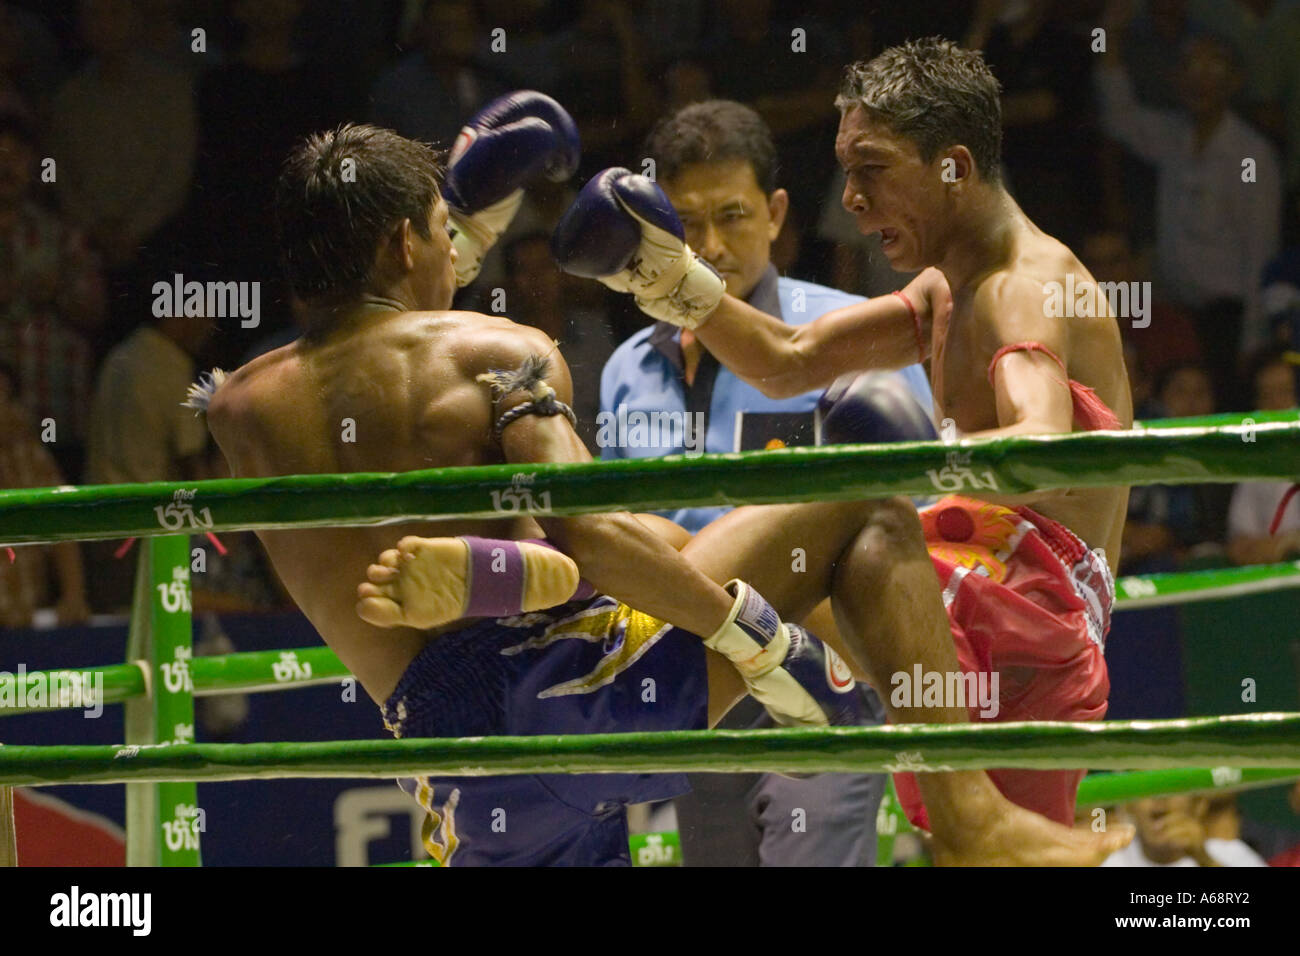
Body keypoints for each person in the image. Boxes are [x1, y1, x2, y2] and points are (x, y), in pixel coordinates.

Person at [196, 95, 1130, 866]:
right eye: (446, 235)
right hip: (594, 684)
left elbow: (364, 341)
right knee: (868, 485)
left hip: (453, 767)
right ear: (407, 242)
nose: (458, 254)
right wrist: (762, 645)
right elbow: (590, 532)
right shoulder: (502, 350)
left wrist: (453, 222)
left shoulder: (240, 409)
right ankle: (966, 815)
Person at [552, 38, 1132, 837]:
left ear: (954, 166)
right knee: (985, 848)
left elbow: (1043, 439)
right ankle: (691, 684)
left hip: (1027, 613)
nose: (851, 199)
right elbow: (789, 361)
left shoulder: (1019, 289)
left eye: (872, 169)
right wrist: (672, 281)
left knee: (837, 515)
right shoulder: (948, 283)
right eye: (846, 169)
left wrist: (910, 454)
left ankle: (602, 701)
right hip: (972, 594)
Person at [601, 99, 931, 866]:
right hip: (698, 685)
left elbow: (912, 522)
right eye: (687, 222)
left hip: (824, 670)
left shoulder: (850, 334)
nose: (712, 246)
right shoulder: (625, 372)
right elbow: (624, 530)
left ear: (777, 214)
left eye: (734, 215)